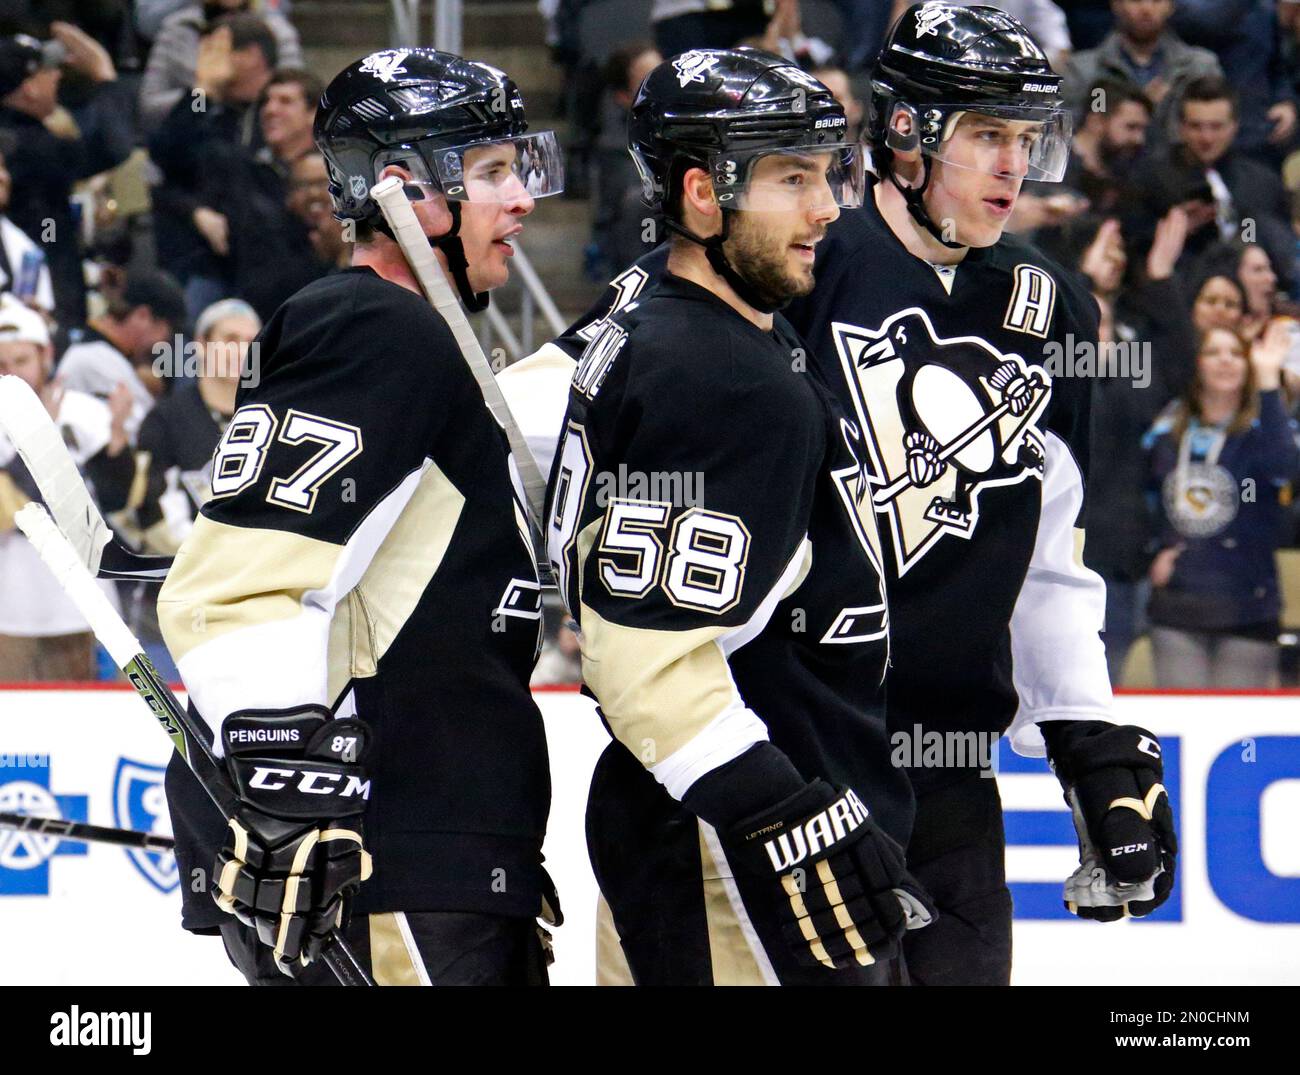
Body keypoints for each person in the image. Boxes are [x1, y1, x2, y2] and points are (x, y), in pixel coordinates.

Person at [782, 3, 1179, 979]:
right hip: (799, 760)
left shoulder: (1047, 308)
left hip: (951, 774)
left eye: (1026, 138)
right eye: (986, 136)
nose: (1014, 165)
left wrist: (1085, 730)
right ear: (909, 136)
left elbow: (1047, 556)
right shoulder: (794, 268)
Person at [155, 48, 565, 986]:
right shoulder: (376, 326)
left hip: (437, 865)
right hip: (389, 870)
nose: (523, 200)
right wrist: (284, 784)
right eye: (493, 171)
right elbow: (236, 584)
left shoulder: (427, 351)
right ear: (401, 189)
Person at [545, 47, 932, 986]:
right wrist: (785, 812)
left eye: (829, 173)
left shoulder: (647, 311)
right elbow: (649, 656)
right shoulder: (720, 373)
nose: (828, 208)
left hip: (681, 825)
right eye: (791, 179)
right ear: (702, 194)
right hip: (734, 857)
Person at [1144, 321, 1300, 686]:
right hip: (1178, 605)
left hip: (1248, 603)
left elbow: (1285, 469)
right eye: (1214, 352)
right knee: (1181, 724)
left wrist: (1267, 382)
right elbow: (1142, 499)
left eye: (1235, 354)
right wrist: (1153, 551)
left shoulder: (1263, 431)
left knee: (1240, 732)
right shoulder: (1166, 433)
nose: (1225, 361)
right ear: (1197, 364)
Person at [0, 295, 133, 679]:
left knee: (78, 725)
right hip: (10, 605)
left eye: (22, 361)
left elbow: (117, 503)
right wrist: (41, 437)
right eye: (2, 364)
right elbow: (11, 513)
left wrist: (118, 439)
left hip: (78, 602)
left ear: (46, 356)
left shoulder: (84, 412)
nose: (12, 373)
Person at [0, 26, 133, 325]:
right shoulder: (23, 145)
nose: (58, 75)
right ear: (29, 87)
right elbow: (112, 146)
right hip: (36, 306)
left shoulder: (23, 136)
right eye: (48, 70)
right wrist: (105, 75)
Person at [1062, 0, 1222, 147]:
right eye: (1136, 0)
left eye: (1156, 0)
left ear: (1171, 5)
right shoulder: (1083, 70)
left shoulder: (1199, 68)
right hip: (1106, 172)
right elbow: (1068, 136)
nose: (1146, 8)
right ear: (1116, 4)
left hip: (1182, 172)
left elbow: (1213, 131)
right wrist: (1139, 105)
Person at [138, 0, 302, 133]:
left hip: (259, 142)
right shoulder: (179, 29)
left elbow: (296, 102)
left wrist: (252, 91)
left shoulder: (278, 33)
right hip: (193, 141)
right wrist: (205, 92)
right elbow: (150, 110)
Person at [57, 268, 187, 432]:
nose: (163, 342)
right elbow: (150, 432)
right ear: (142, 316)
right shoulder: (93, 361)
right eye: (165, 331)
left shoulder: (102, 354)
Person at [0, 136, 54, 316]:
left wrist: (39, 316)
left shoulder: (25, 245)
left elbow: (46, 312)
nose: (2, 177)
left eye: (3, 167)